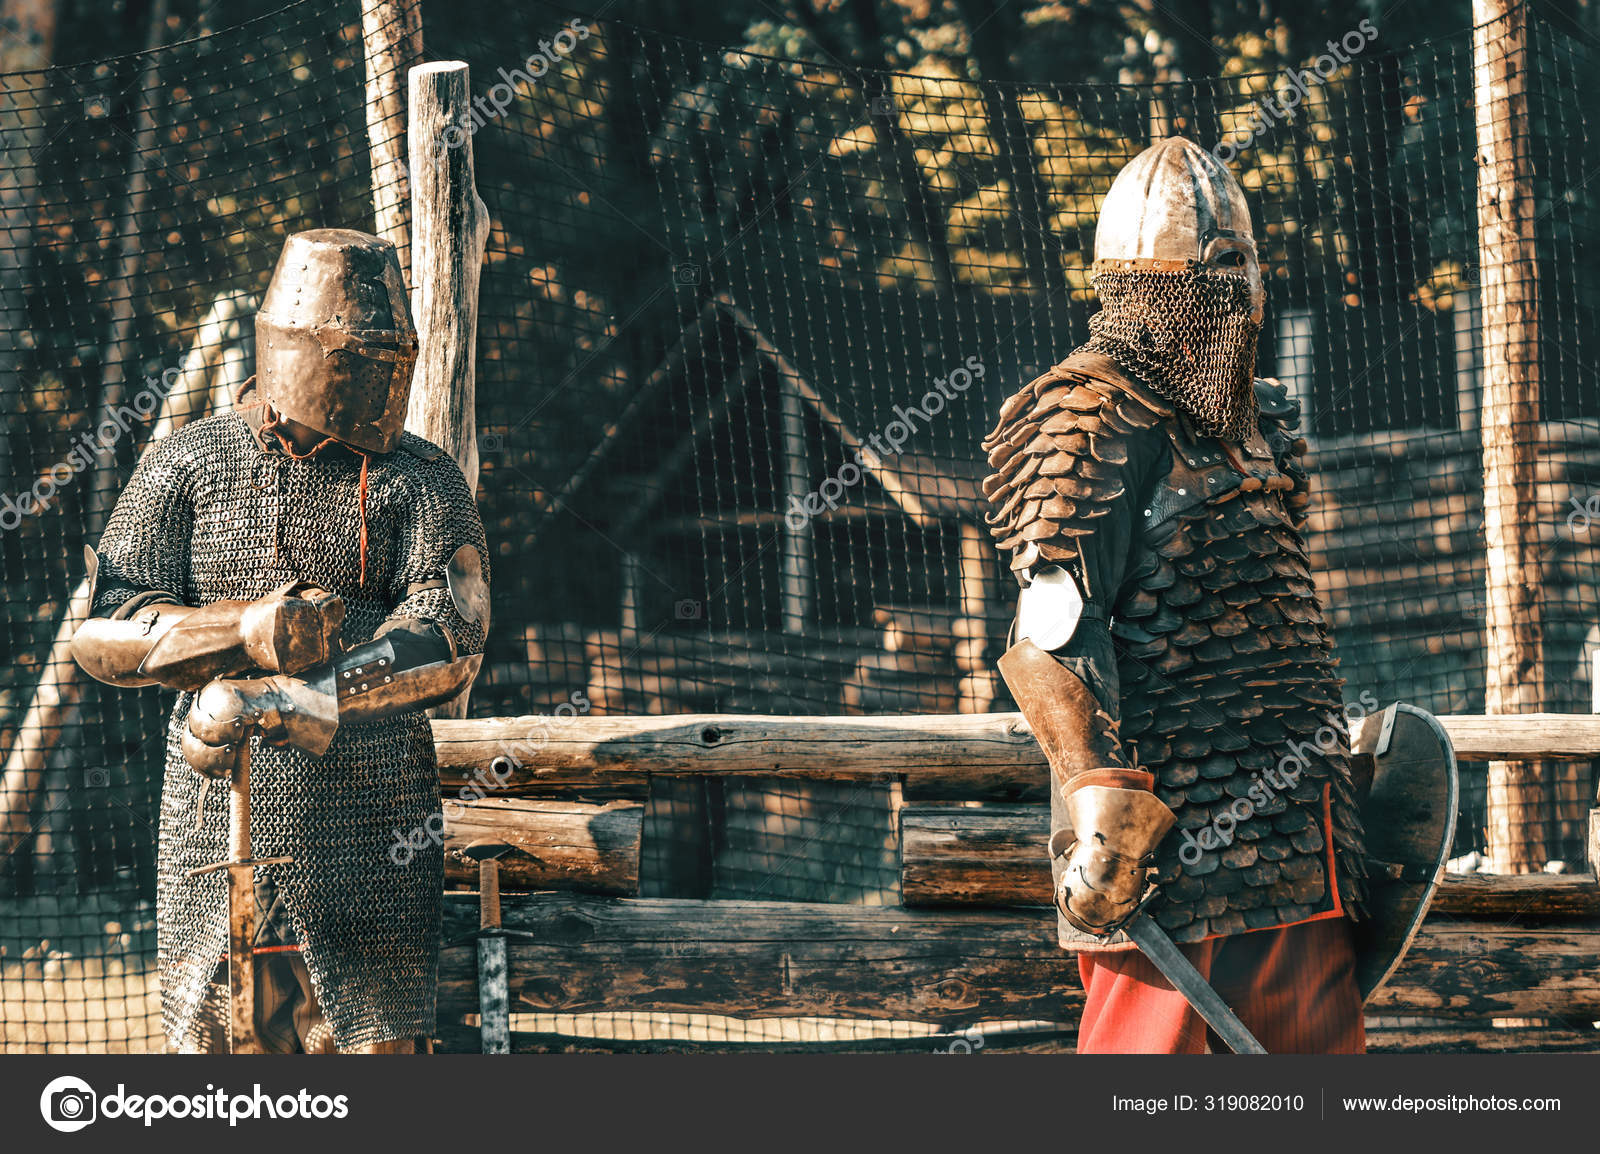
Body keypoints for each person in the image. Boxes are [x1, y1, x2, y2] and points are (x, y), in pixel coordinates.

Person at [982, 138, 1367, 1053]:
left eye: (1243, 271)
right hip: (1169, 839)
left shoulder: (1260, 424)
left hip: (1297, 824)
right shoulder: (1094, 413)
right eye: (1212, 277)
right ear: (1147, 290)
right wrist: (1099, 802)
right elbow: (1049, 633)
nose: (1238, 297)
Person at [72, 229, 489, 1054]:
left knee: (371, 1053)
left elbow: (453, 632)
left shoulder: (421, 476)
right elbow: (106, 631)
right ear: (301, 347)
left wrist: (305, 697)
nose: (381, 367)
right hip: (217, 798)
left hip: (371, 815)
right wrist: (241, 628)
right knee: (225, 1049)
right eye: (361, 350)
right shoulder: (187, 463)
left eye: (391, 349)